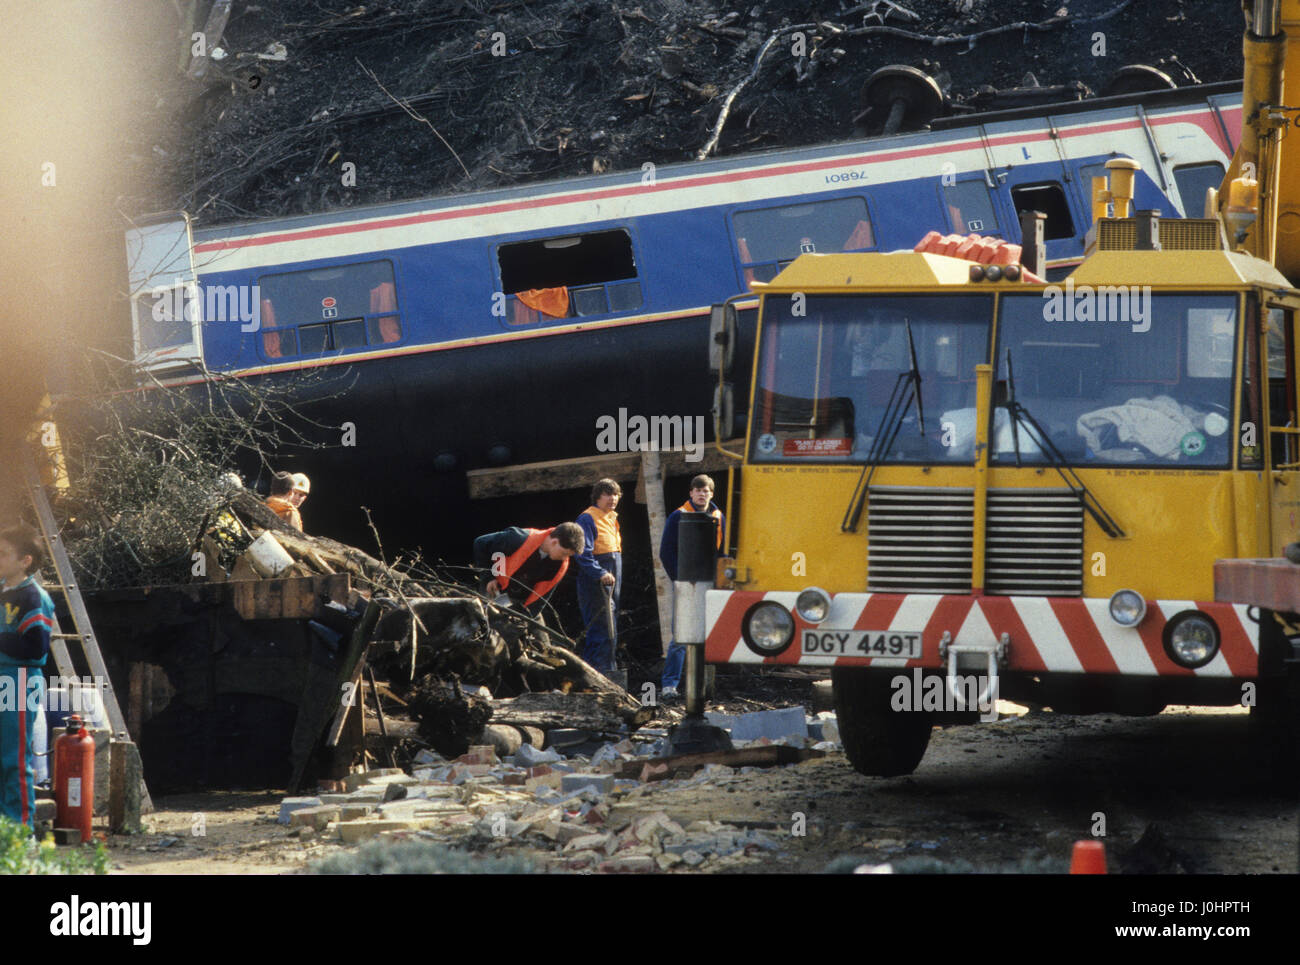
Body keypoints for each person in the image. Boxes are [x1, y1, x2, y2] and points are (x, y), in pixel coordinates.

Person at [0, 525, 54, 829]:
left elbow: (36, 648)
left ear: (25, 561)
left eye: (4, 554)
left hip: (18, 681)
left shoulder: (34, 597)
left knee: (14, 759)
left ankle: (22, 833)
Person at [659, 475, 725, 699]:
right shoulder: (678, 515)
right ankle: (670, 686)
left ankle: (703, 687)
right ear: (691, 493)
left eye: (705, 491)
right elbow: (666, 551)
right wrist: (679, 579)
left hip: (711, 583)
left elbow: (724, 551)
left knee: (709, 634)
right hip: (686, 584)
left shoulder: (718, 517)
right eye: (697, 490)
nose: (701, 494)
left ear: (711, 494)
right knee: (680, 636)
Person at [473, 522, 584, 616]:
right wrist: (488, 577)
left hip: (522, 603)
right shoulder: (517, 538)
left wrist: (527, 618)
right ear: (554, 542)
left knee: (540, 639)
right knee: (486, 627)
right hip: (494, 589)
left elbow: (541, 598)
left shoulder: (560, 564)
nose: (565, 558)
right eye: (564, 553)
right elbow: (480, 543)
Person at [574, 479, 622, 672]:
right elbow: (582, 553)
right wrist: (600, 573)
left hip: (612, 577)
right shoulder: (587, 518)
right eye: (607, 494)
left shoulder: (611, 518)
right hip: (596, 581)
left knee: (611, 628)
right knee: (600, 627)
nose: (612, 498)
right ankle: (597, 675)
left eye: (616, 494)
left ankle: (609, 670)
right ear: (598, 497)